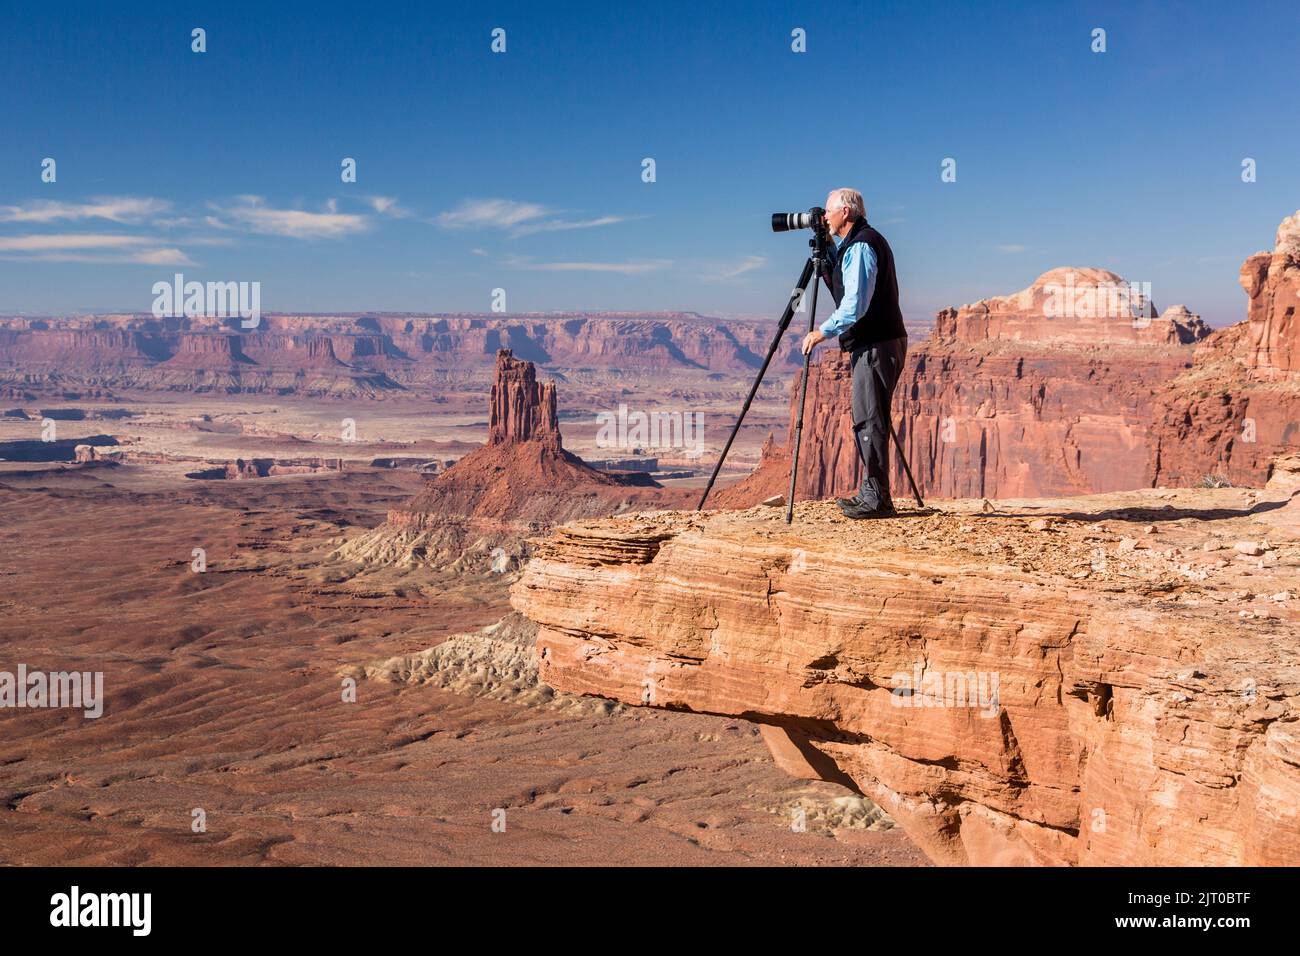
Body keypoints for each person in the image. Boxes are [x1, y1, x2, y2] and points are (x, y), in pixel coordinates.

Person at [800, 187, 908, 519]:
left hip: (876, 342)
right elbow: (843, 283)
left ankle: (875, 500)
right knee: (869, 416)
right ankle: (875, 494)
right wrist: (828, 247)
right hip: (877, 341)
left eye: (830, 212)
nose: (825, 218)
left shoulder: (862, 246)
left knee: (869, 419)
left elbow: (855, 304)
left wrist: (821, 332)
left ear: (846, 212)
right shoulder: (857, 243)